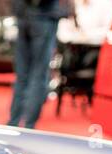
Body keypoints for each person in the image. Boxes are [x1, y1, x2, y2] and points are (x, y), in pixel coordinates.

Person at [8, 0, 73, 128]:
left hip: (24, 14)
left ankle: (14, 122)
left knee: (22, 75)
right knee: (38, 75)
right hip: (43, 15)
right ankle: (28, 126)